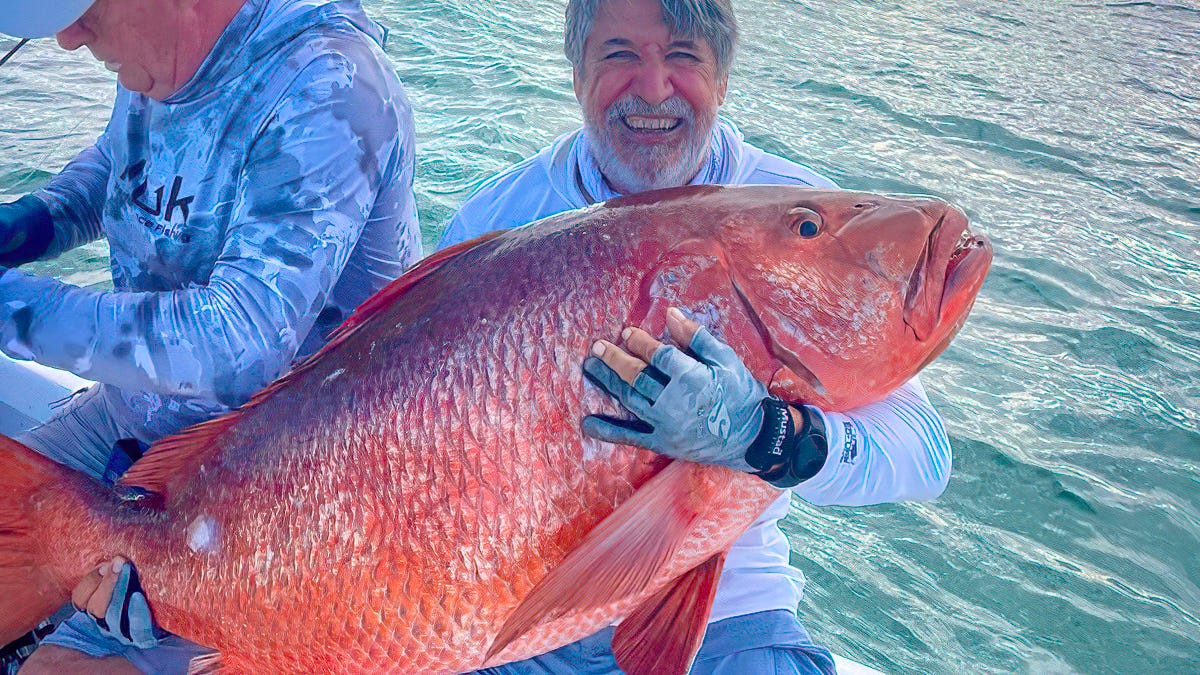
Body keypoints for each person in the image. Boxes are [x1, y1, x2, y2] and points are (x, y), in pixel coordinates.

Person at [440, 1, 953, 673]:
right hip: (513, 604)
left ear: (723, 75)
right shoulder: (496, 223)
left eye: (682, 56)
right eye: (620, 54)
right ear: (576, 73)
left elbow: (923, 453)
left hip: (726, 609)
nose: (653, 89)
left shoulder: (800, 216)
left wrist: (763, 434)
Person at [0, 0, 420, 671]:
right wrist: (29, 223)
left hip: (282, 492)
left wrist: (13, 310)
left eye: (87, 9)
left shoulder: (330, 89)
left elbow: (238, 342)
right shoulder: (159, 54)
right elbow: (118, 167)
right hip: (135, 421)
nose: (67, 36)